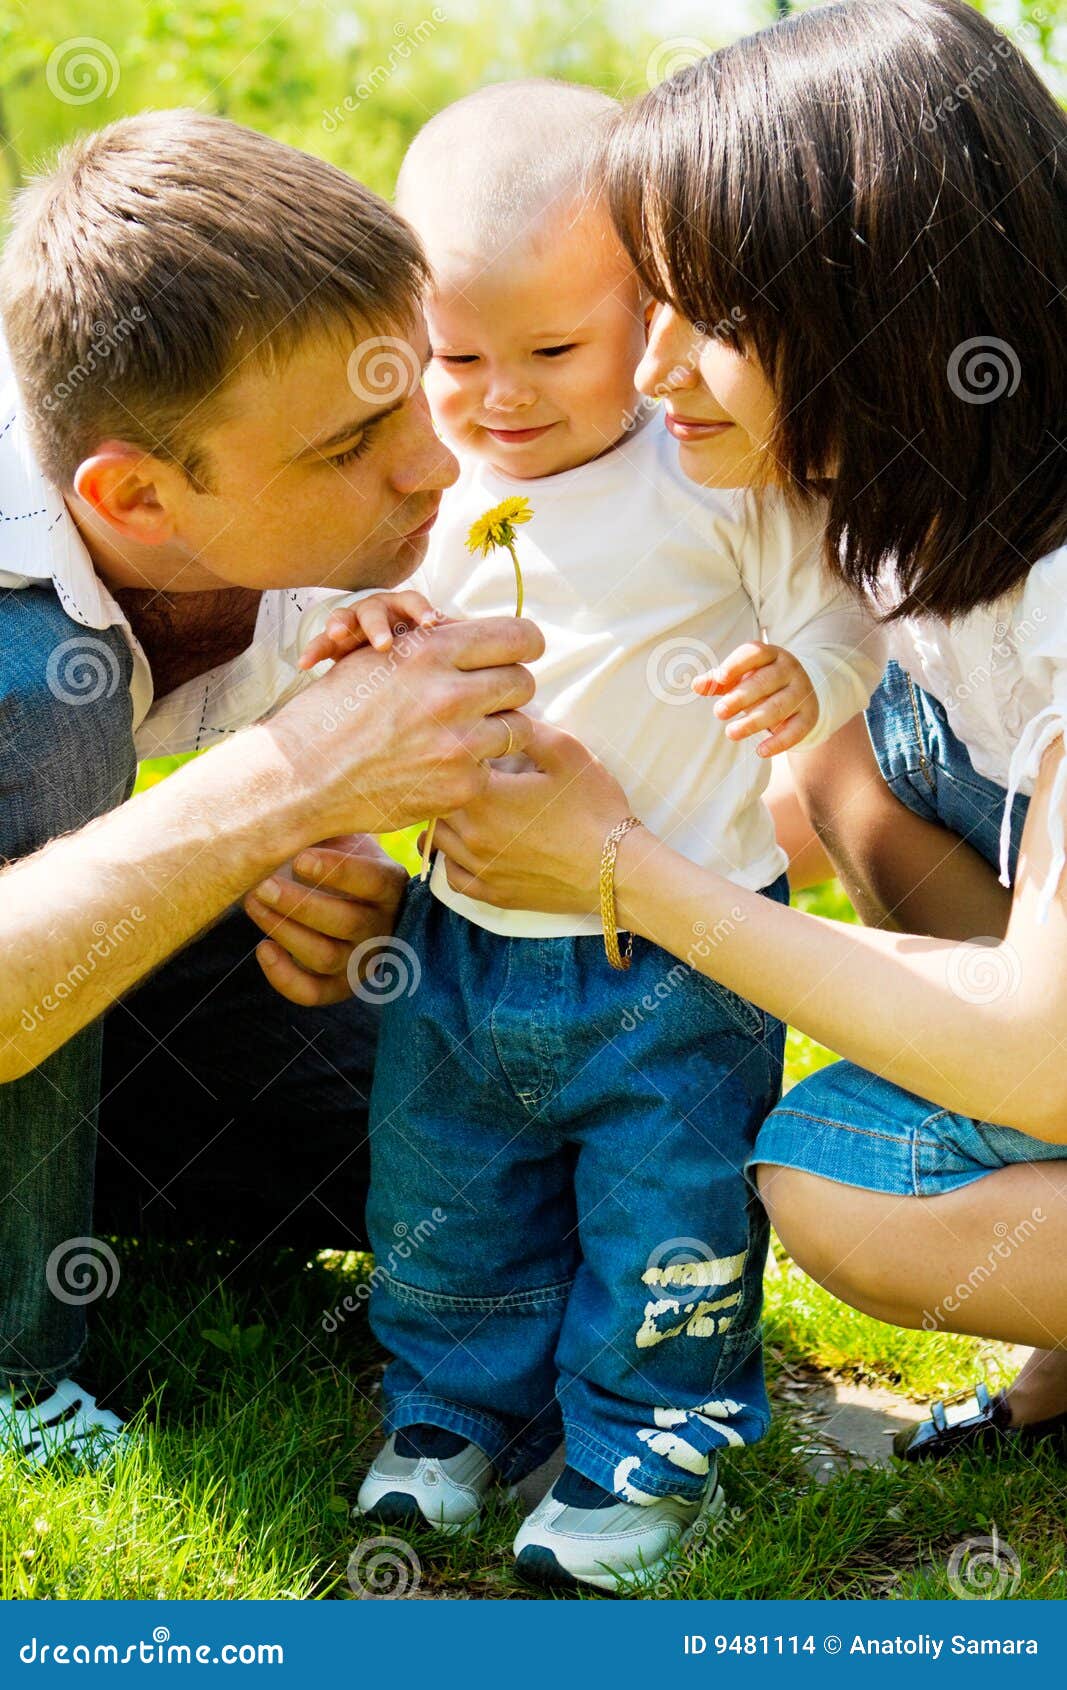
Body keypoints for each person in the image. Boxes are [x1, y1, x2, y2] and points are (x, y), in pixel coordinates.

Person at [412, 0, 1067, 1465]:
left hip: (1054, 1044)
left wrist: (624, 872)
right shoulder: (910, 508)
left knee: (844, 1176)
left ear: (879, 318)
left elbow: (1045, 1057)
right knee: (849, 751)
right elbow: (807, 772)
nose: (651, 375)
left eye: (707, 321)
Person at [304, 80, 882, 1591]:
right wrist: (370, 628)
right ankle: (452, 1410)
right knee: (442, 1187)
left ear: (649, 311)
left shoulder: (703, 472)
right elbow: (364, 619)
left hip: (673, 949)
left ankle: (650, 1430)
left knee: (665, 1202)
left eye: (556, 351)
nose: (500, 396)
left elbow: (836, 610)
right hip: (461, 935)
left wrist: (803, 672)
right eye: (454, 357)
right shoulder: (434, 493)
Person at [0, 108, 542, 1468]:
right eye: (353, 442)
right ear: (133, 500)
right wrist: (293, 777)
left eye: (411, 385)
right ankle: (17, 1368)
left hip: (61, 983)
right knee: (41, 701)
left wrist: (338, 884)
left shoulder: (307, 484)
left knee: (518, 1146)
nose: (429, 460)